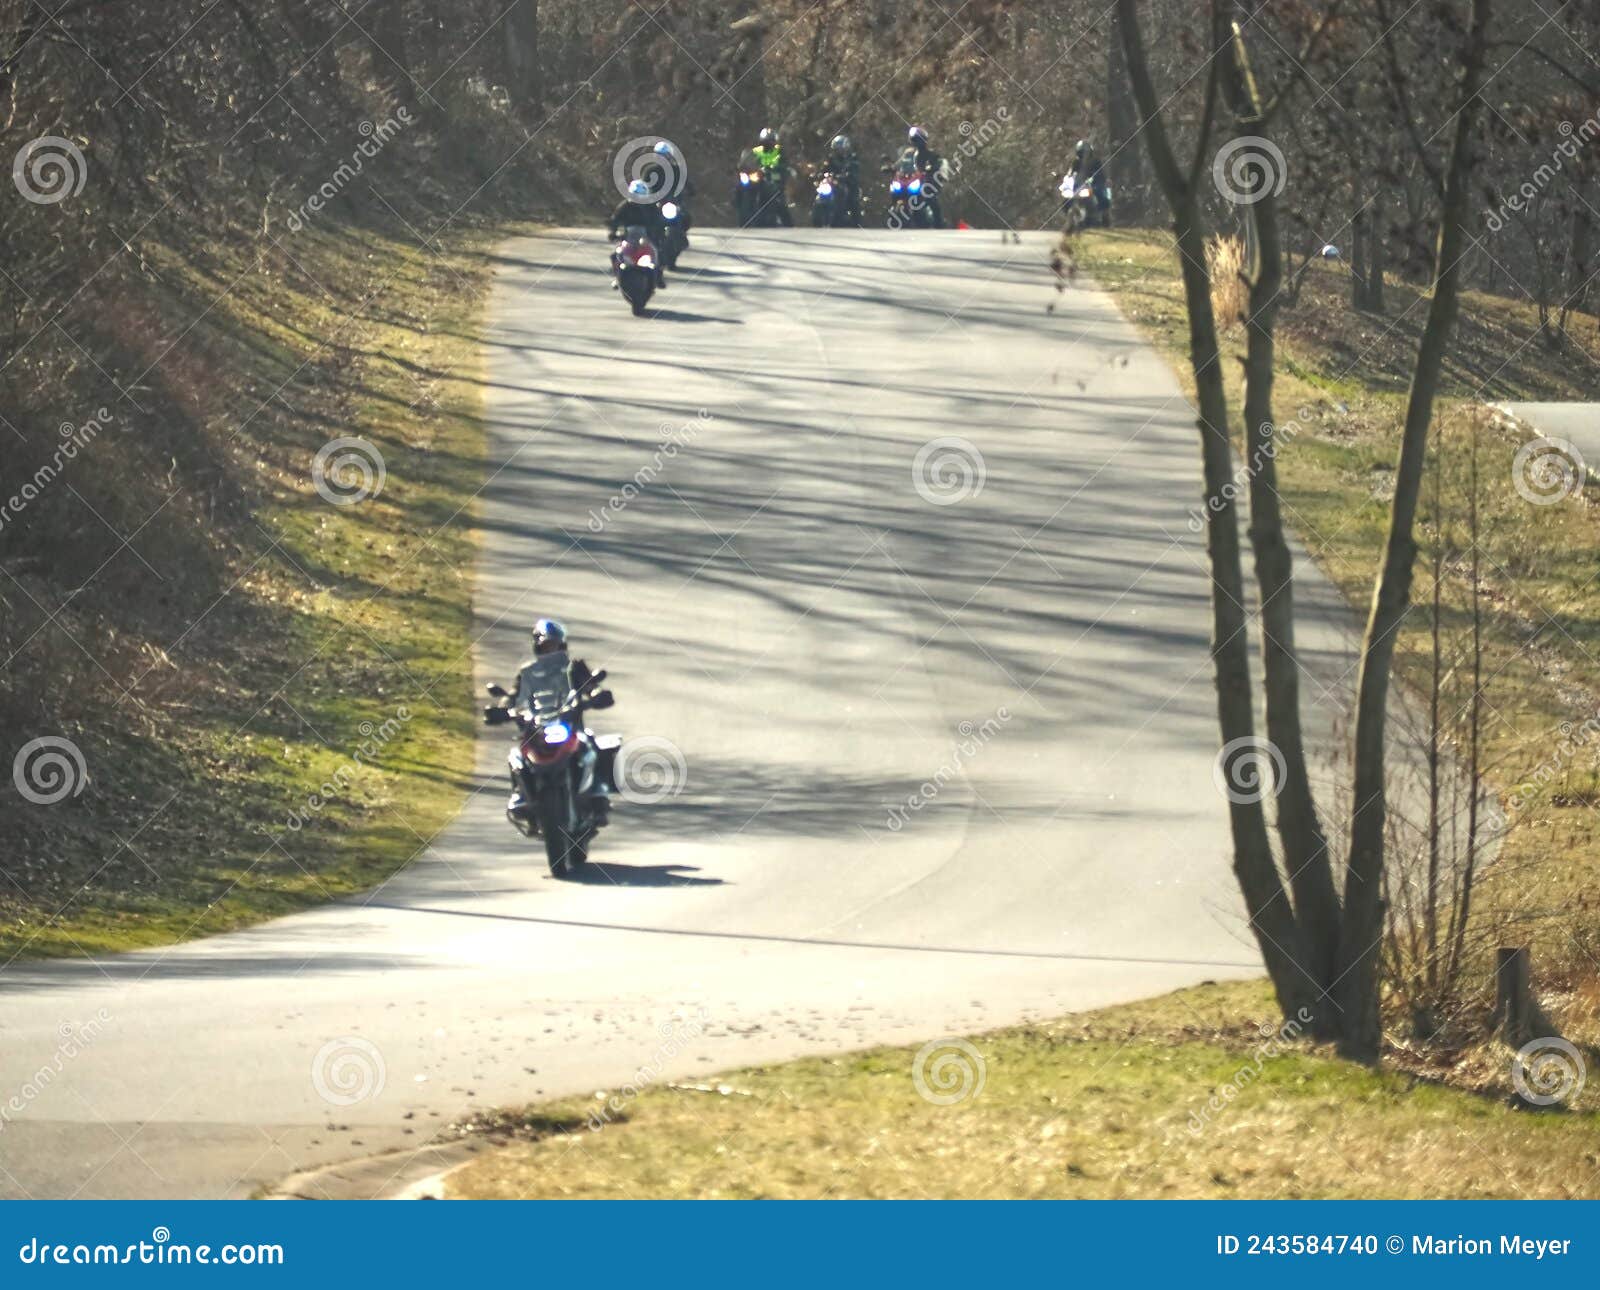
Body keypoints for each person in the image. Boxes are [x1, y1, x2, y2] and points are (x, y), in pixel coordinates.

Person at [607, 179, 667, 288]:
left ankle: (658, 276)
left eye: (641, 196)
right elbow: (614, 220)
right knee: (616, 254)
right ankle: (618, 277)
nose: (638, 199)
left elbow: (659, 222)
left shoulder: (652, 207)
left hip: (647, 237)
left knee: (658, 252)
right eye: (636, 196)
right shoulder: (625, 206)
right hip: (628, 237)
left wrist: (659, 233)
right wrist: (613, 232)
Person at [906, 124, 947, 228]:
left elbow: (937, 163)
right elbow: (903, 164)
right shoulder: (910, 154)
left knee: (931, 199)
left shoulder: (931, 154)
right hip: (914, 181)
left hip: (929, 182)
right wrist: (893, 168)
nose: (917, 142)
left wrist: (932, 168)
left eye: (918, 139)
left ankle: (939, 222)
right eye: (915, 140)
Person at [752, 127, 793, 226]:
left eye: (770, 141)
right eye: (765, 141)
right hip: (758, 179)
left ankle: (788, 223)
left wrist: (776, 168)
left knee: (780, 200)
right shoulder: (756, 151)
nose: (768, 144)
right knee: (741, 188)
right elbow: (747, 162)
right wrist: (741, 168)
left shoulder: (779, 151)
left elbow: (785, 164)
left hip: (774, 179)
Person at [820, 133, 862, 225]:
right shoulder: (831, 158)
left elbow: (855, 169)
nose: (839, 151)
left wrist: (848, 175)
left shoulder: (852, 158)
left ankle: (856, 222)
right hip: (833, 182)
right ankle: (819, 212)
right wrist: (821, 174)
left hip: (847, 182)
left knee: (853, 198)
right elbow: (824, 169)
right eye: (836, 149)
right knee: (820, 191)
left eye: (840, 149)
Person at [1071, 139, 1112, 228]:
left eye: (1086, 152)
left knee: (1101, 195)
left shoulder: (1095, 162)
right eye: (1082, 152)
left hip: (1093, 185)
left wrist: (1096, 179)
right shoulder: (1076, 162)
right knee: (1067, 197)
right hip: (1080, 185)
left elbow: (1100, 173)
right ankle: (1072, 215)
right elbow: (1071, 173)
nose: (1084, 155)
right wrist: (1068, 179)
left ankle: (1104, 216)